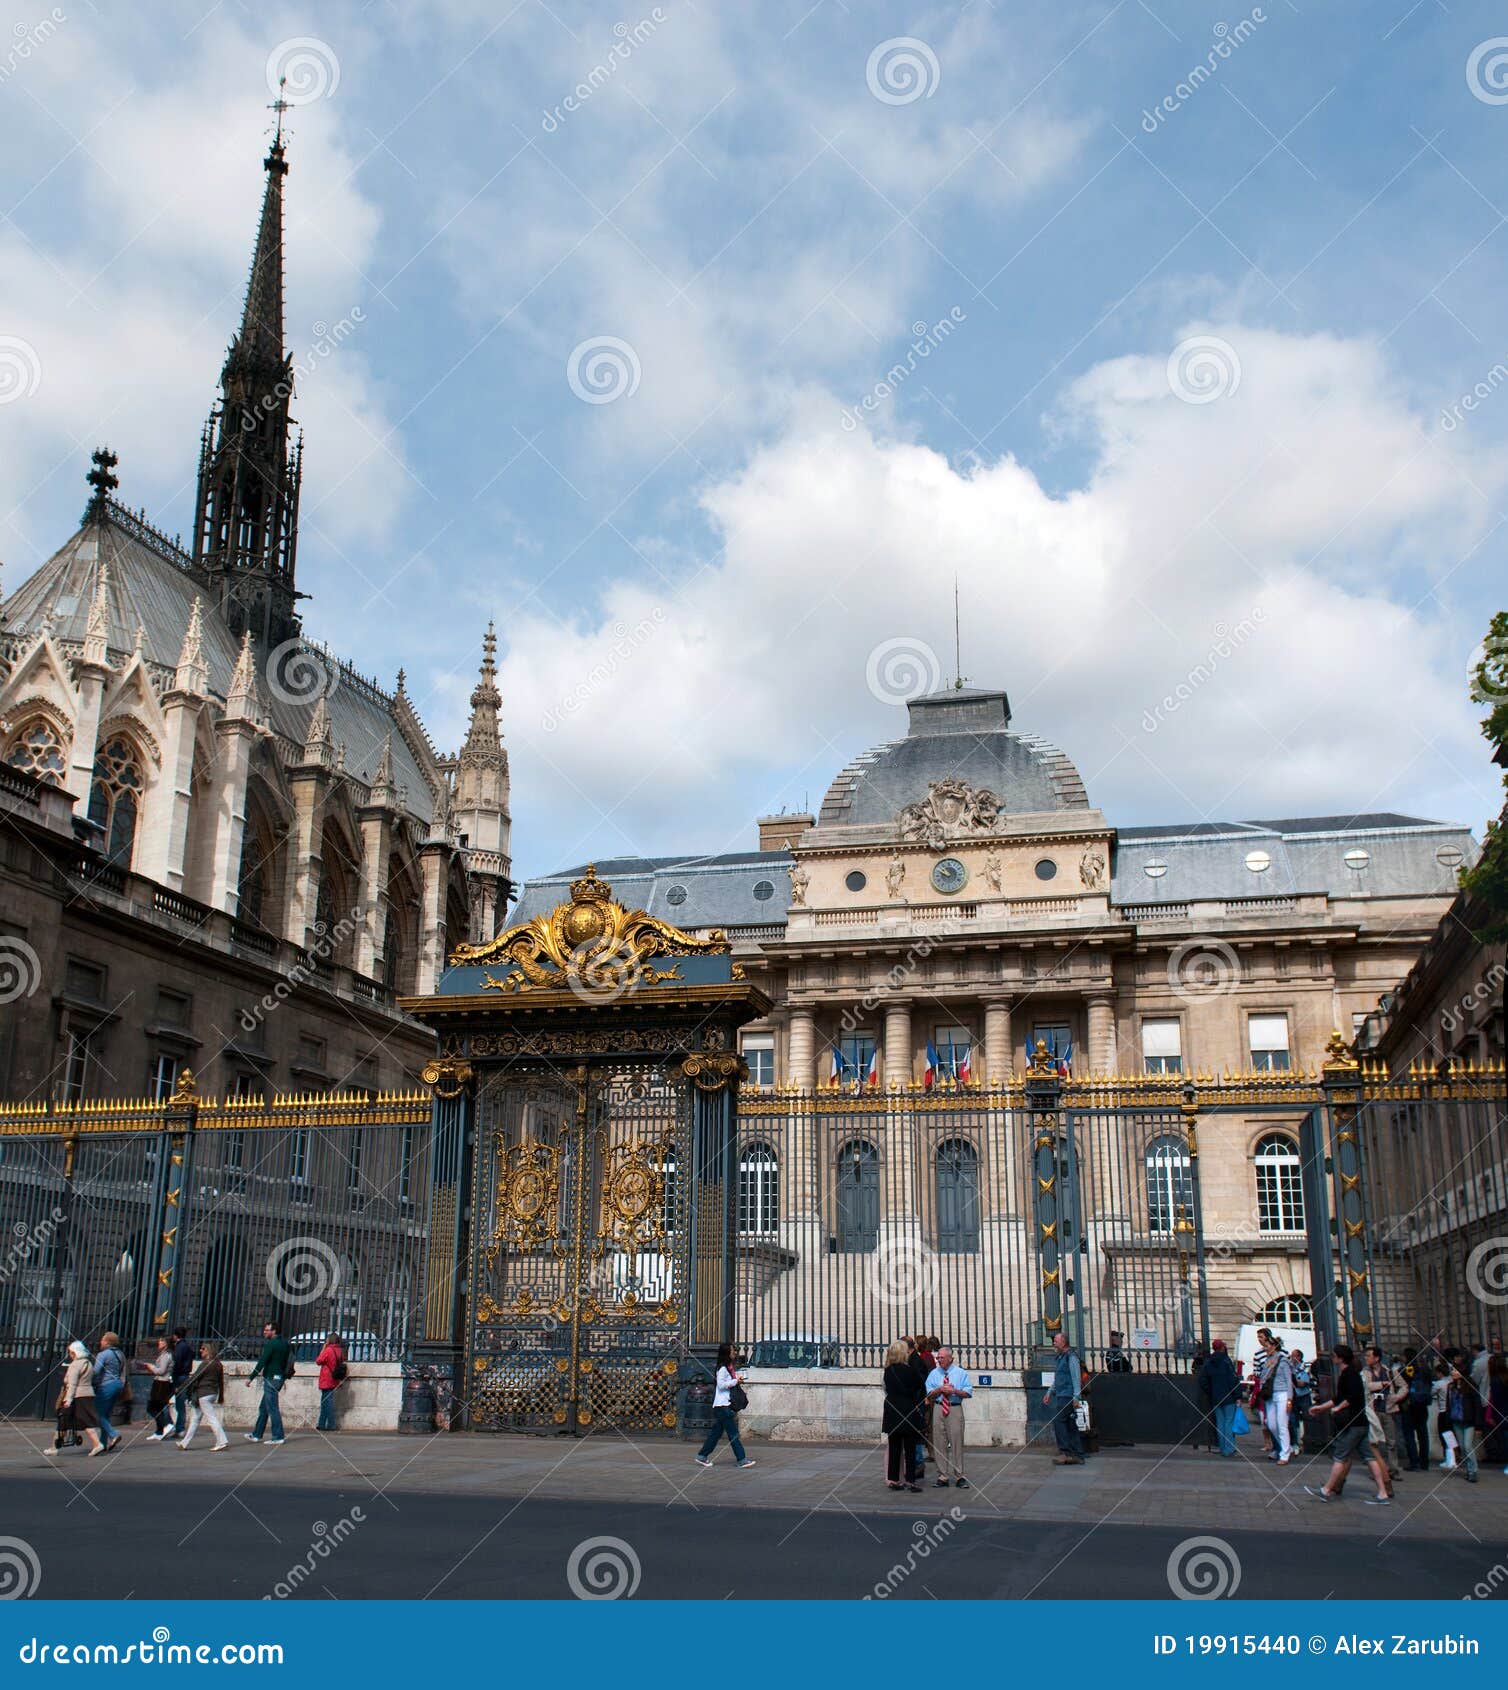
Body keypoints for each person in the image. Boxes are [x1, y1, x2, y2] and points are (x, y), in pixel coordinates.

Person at [1304, 1342, 1393, 1505]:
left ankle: (1326, 1490)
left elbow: (1349, 1398)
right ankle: (1382, 1493)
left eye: (1334, 1356)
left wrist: (1338, 1408)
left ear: (1340, 1358)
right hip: (1361, 1423)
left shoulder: (1348, 1374)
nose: (1332, 1358)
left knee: (1340, 1457)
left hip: (1352, 1423)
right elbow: (1339, 1397)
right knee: (1369, 1458)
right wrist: (1321, 1407)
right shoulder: (1352, 1373)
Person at [695, 1342, 756, 1469]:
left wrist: (736, 1379)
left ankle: (702, 1455)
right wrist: (735, 1381)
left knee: (716, 1434)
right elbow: (721, 1385)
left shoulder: (728, 1368)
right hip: (723, 1406)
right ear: (727, 1353)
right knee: (733, 1434)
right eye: (732, 1351)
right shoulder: (723, 1369)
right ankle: (741, 1459)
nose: (734, 1353)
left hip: (723, 1405)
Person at [44, 1341, 103, 1457]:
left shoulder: (75, 1365)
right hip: (88, 1394)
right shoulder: (88, 1363)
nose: (70, 1355)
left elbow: (72, 1385)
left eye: (71, 1352)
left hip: (77, 1396)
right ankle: (54, 1447)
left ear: (74, 1353)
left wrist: (68, 1399)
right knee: (85, 1420)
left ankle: (54, 1448)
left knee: (63, 1419)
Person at [925, 1344, 973, 1486]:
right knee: (939, 1441)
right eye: (938, 1358)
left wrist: (954, 1391)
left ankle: (959, 1475)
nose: (939, 1360)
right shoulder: (934, 1373)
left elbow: (968, 1392)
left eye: (942, 1358)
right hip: (939, 1407)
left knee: (957, 1442)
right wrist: (939, 1389)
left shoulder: (960, 1373)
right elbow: (929, 1394)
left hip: (954, 1407)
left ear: (950, 1359)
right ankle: (942, 1476)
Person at [882, 1340, 926, 1491]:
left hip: (892, 1409)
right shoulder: (910, 1370)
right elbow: (919, 1388)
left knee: (894, 1446)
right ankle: (911, 1480)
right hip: (907, 1409)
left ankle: (893, 1479)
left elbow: (886, 1389)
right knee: (909, 1447)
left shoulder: (888, 1371)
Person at [1041, 1330, 1084, 1466]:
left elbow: (1076, 1378)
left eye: (1056, 1341)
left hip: (1068, 1395)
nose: (1054, 1343)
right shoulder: (1060, 1357)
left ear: (1063, 1342)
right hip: (1061, 1394)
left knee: (1059, 1421)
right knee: (1070, 1424)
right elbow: (1058, 1379)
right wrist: (1049, 1392)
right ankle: (1077, 1454)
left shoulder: (1071, 1357)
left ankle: (1066, 1453)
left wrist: (1076, 1397)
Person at [245, 1320, 292, 1445]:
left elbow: (262, 1361)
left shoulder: (272, 1343)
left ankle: (278, 1436)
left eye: (267, 1330)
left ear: (274, 1331)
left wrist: (251, 1377)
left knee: (272, 1408)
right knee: (264, 1408)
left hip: (271, 1378)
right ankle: (256, 1434)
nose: (264, 1332)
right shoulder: (284, 1343)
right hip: (279, 1378)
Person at [178, 1341, 229, 1451]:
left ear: (208, 1350)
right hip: (212, 1393)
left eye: (203, 1348)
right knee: (195, 1419)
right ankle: (184, 1443)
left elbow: (194, 1378)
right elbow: (221, 1381)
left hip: (204, 1394)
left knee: (211, 1418)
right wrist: (221, 1396)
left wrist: (180, 1388)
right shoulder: (218, 1364)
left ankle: (222, 1441)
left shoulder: (205, 1364)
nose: (200, 1350)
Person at [1197, 1338, 1241, 1456]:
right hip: (1228, 1396)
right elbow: (1233, 1379)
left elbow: (1202, 1380)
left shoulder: (1209, 1362)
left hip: (1215, 1397)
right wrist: (1238, 1395)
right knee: (1228, 1422)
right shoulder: (1226, 1361)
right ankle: (1229, 1449)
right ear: (1222, 1348)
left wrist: (1210, 1390)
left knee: (1220, 1423)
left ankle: (1222, 1447)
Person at [1363, 1345, 1401, 1479]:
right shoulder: (1365, 1372)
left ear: (1377, 1358)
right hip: (1373, 1409)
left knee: (1391, 1441)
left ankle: (1393, 1470)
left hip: (1388, 1409)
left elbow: (1403, 1386)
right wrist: (1382, 1384)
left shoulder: (1390, 1371)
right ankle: (1379, 1470)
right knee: (1375, 1442)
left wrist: (1396, 1398)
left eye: (1369, 1355)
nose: (1366, 1358)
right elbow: (1366, 1386)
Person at [1257, 1330, 1294, 1463]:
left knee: (1282, 1424)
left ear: (1274, 1346)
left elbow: (1288, 1380)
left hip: (1282, 1393)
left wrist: (1290, 1399)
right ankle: (1287, 1447)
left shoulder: (1283, 1361)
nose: (1265, 1349)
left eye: (1267, 1346)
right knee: (1271, 1424)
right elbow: (1262, 1378)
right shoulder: (1267, 1360)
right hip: (1270, 1394)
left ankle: (1284, 1454)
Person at [1396, 1345, 1432, 1471]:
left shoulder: (1403, 1370)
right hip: (1422, 1404)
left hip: (1408, 1405)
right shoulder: (1425, 1370)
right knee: (1423, 1434)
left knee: (1409, 1434)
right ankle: (1424, 1462)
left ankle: (1414, 1462)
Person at [1447, 1361, 1483, 1483]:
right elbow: (1449, 1404)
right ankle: (1469, 1469)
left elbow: (1477, 1405)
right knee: (1462, 1447)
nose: (1452, 1372)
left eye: (1454, 1370)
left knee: (1468, 1446)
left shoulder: (1470, 1386)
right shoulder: (1451, 1386)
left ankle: (1473, 1470)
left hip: (1468, 1420)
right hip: (1456, 1420)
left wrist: (1478, 1425)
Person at [92, 1331, 128, 1452]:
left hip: (105, 1386)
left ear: (107, 1342)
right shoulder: (120, 1354)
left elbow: (96, 1371)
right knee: (106, 1414)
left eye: (102, 1339)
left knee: (98, 1414)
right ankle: (103, 1443)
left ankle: (114, 1434)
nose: (100, 1341)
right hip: (117, 1385)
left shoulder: (103, 1354)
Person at [168, 1325, 195, 1442]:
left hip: (179, 1376)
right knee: (180, 1403)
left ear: (176, 1335)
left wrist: (172, 1376)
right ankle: (179, 1427)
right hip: (184, 1375)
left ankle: (178, 1428)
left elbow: (177, 1362)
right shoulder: (186, 1346)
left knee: (179, 1403)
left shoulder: (180, 1347)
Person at [146, 1337, 176, 1440]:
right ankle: (159, 1431)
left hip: (162, 1383)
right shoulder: (163, 1355)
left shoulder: (166, 1356)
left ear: (166, 1343)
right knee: (158, 1407)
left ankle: (167, 1424)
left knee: (152, 1407)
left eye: (162, 1341)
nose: (159, 1342)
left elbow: (161, 1371)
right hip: (159, 1382)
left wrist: (151, 1367)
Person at [316, 1332, 346, 1432]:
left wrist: (323, 1348)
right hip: (334, 1378)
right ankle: (321, 1423)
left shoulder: (328, 1350)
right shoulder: (339, 1350)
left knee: (327, 1402)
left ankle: (331, 1424)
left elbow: (318, 1361)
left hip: (326, 1377)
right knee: (324, 1401)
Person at [1483, 1353, 1508, 1470]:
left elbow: (1496, 1400)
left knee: (1504, 1439)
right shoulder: (1504, 1378)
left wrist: (1491, 1415)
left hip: (1501, 1413)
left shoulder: (1495, 1380)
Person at [1432, 1361, 1457, 1471]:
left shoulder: (1439, 1384)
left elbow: (1431, 1393)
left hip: (1443, 1412)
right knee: (1450, 1435)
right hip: (1452, 1412)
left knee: (1444, 1435)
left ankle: (1450, 1460)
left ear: (1440, 1373)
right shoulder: (1452, 1381)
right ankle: (1451, 1459)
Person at [1288, 1349, 1313, 1452]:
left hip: (1303, 1396)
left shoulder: (1305, 1367)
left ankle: (1307, 1441)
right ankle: (1295, 1443)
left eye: (1293, 1356)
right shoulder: (1290, 1367)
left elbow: (1302, 1383)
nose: (1291, 1358)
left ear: (1299, 1357)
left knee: (1307, 1418)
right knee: (1293, 1420)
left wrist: (1292, 1381)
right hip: (1294, 1396)